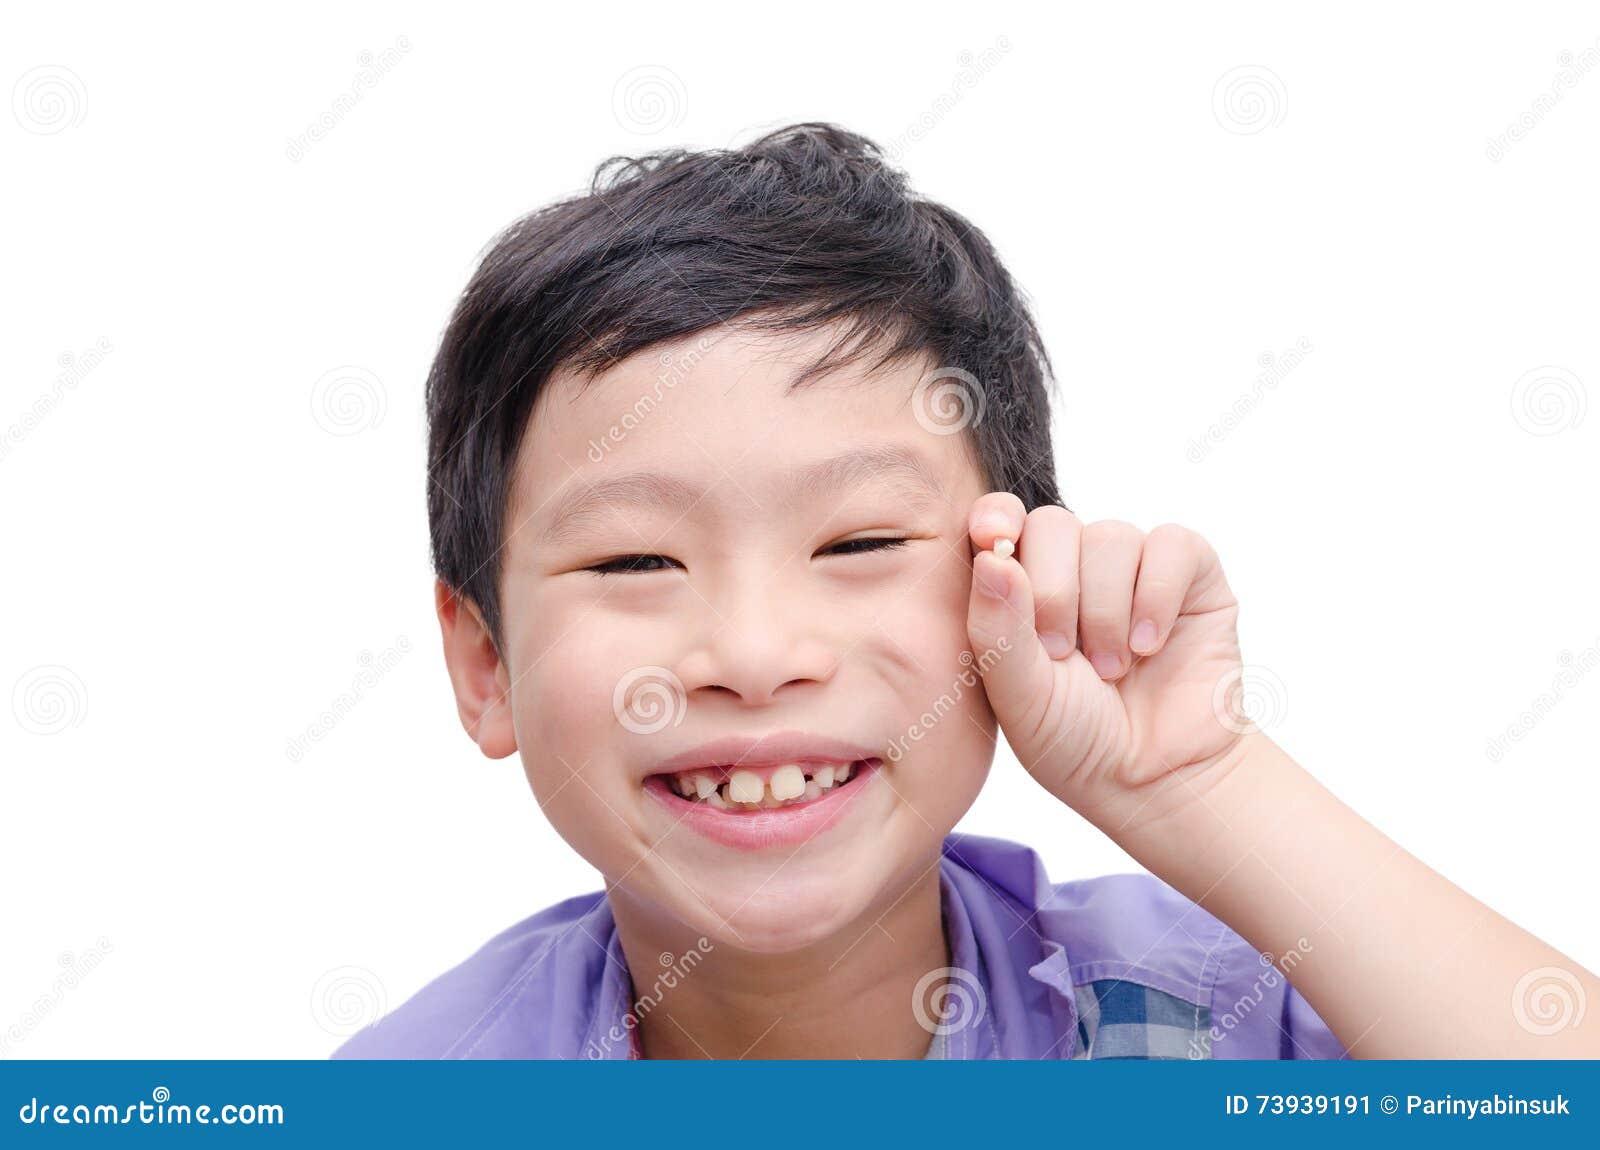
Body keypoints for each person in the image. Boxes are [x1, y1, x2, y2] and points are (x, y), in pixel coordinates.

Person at [333, 123, 1597, 1059]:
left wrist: (1195, 781)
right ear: (484, 661)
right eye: (632, 561)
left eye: (861, 542)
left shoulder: (1190, 1022)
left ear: (1021, 585)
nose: (756, 651)